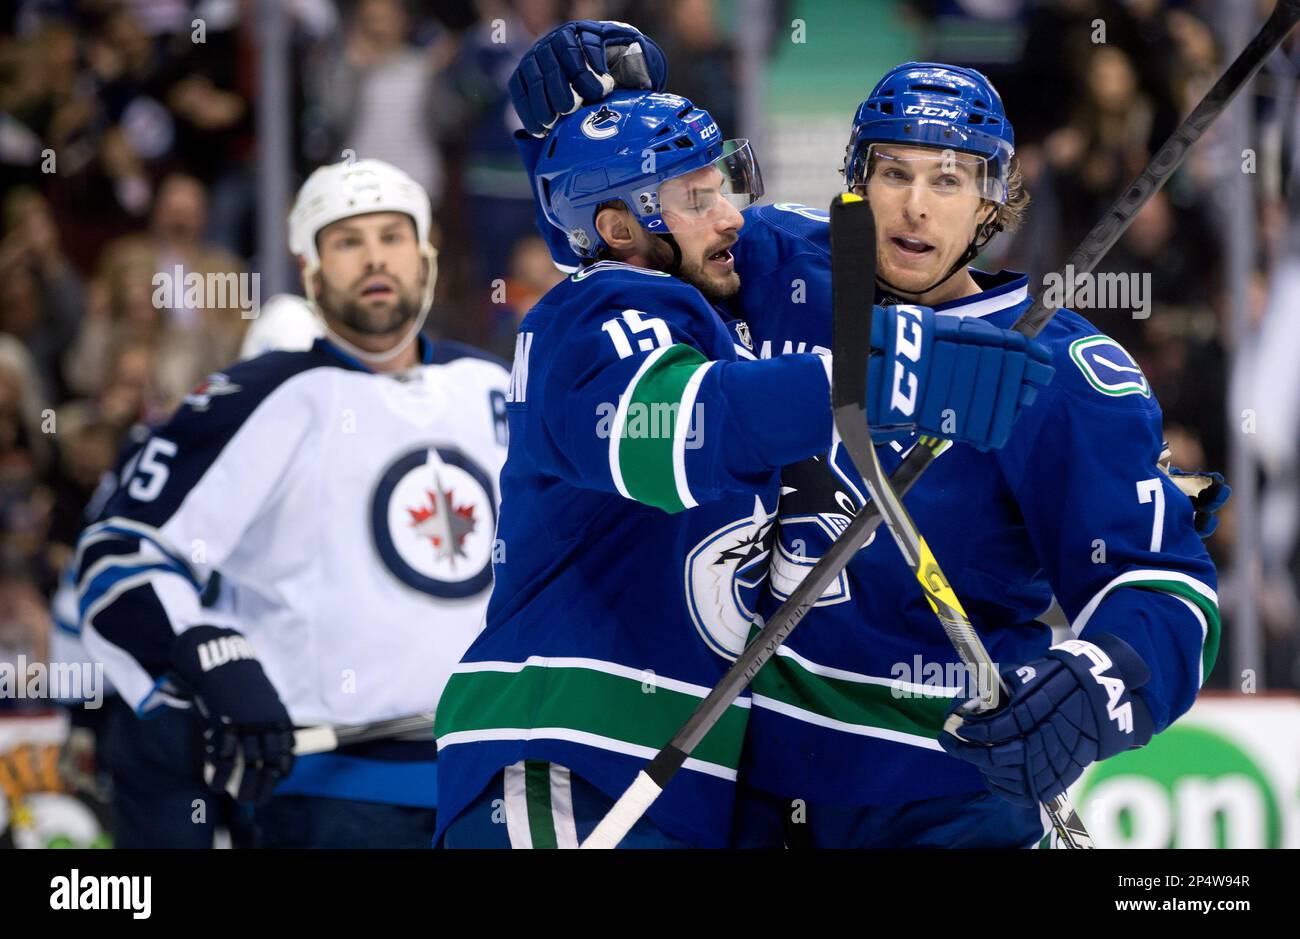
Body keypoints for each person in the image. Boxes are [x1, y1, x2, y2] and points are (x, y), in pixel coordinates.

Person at [508, 25, 1222, 848]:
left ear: (994, 203)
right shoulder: (765, 266)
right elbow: (620, 254)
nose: (917, 204)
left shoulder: (1059, 370)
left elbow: (1165, 585)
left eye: (949, 179)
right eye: (893, 173)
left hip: (952, 787)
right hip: (757, 782)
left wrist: (1096, 686)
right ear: (856, 182)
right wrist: (573, 139)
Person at [433, 87, 1054, 848]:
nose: (731, 215)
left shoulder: (717, 325)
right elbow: (676, 428)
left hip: (678, 780)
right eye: (695, 199)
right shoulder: (598, 310)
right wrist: (884, 374)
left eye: (724, 183)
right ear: (620, 228)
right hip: (565, 753)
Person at [74, 159, 510, 848]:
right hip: (331, 796)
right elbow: (118, 553)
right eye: (347, 240)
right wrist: (209, 652)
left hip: (501, 782)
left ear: (426, 257)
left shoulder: (494, 384)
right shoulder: (257, 396)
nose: (374, 257)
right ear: (310, 269)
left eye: (393, 236)